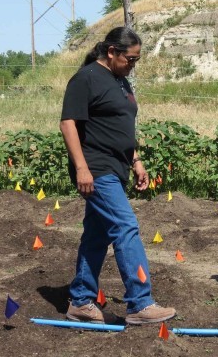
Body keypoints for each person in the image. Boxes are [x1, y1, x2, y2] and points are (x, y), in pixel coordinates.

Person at [60, 26, 176, 325]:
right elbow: (68, 124)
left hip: (117, 167)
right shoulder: (85, 79)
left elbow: (121, 126)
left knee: (97, 235)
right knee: (126, 226)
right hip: (96, 168)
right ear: (112, 52)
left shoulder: (120, 80)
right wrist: (82, 167)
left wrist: (136, 160)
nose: (133, 64)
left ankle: (81, 301)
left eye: (137, 59)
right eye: (131, 59)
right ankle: (140, 302)